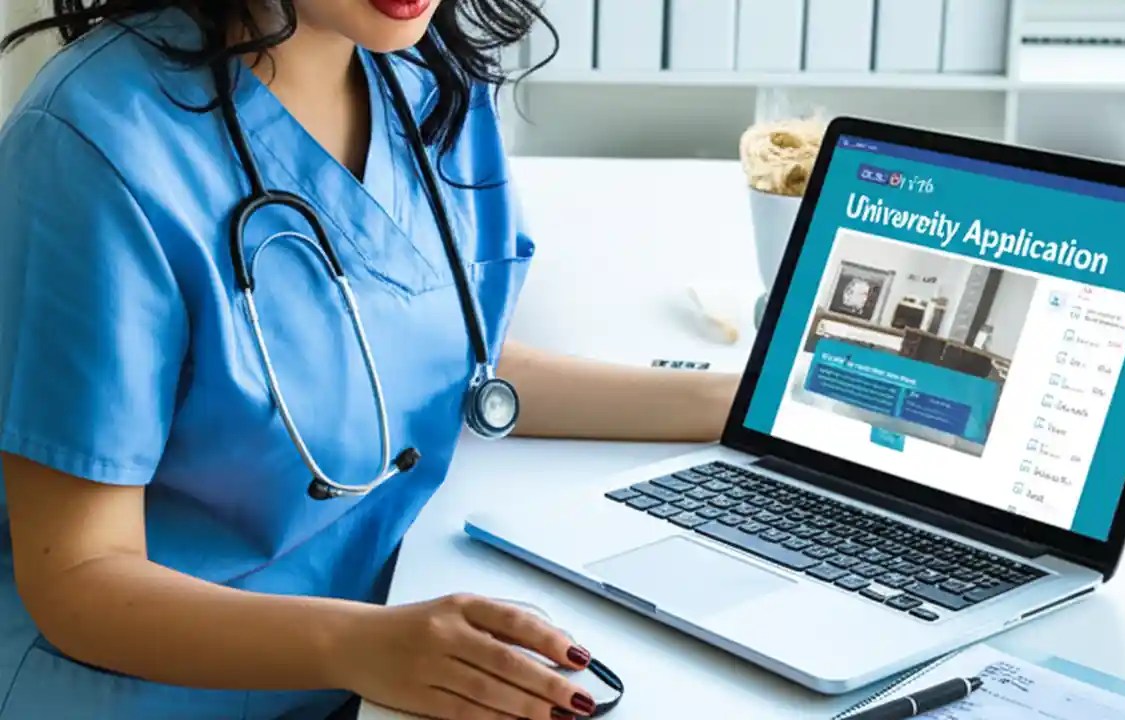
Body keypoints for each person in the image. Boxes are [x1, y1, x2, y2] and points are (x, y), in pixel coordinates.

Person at [0, 2, 739, 718]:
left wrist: (748, 405)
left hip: (376, 665)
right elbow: (79, 577)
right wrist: (363, 647)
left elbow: (444, 361)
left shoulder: (423, 74)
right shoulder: (92, 140)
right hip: (151, 693)